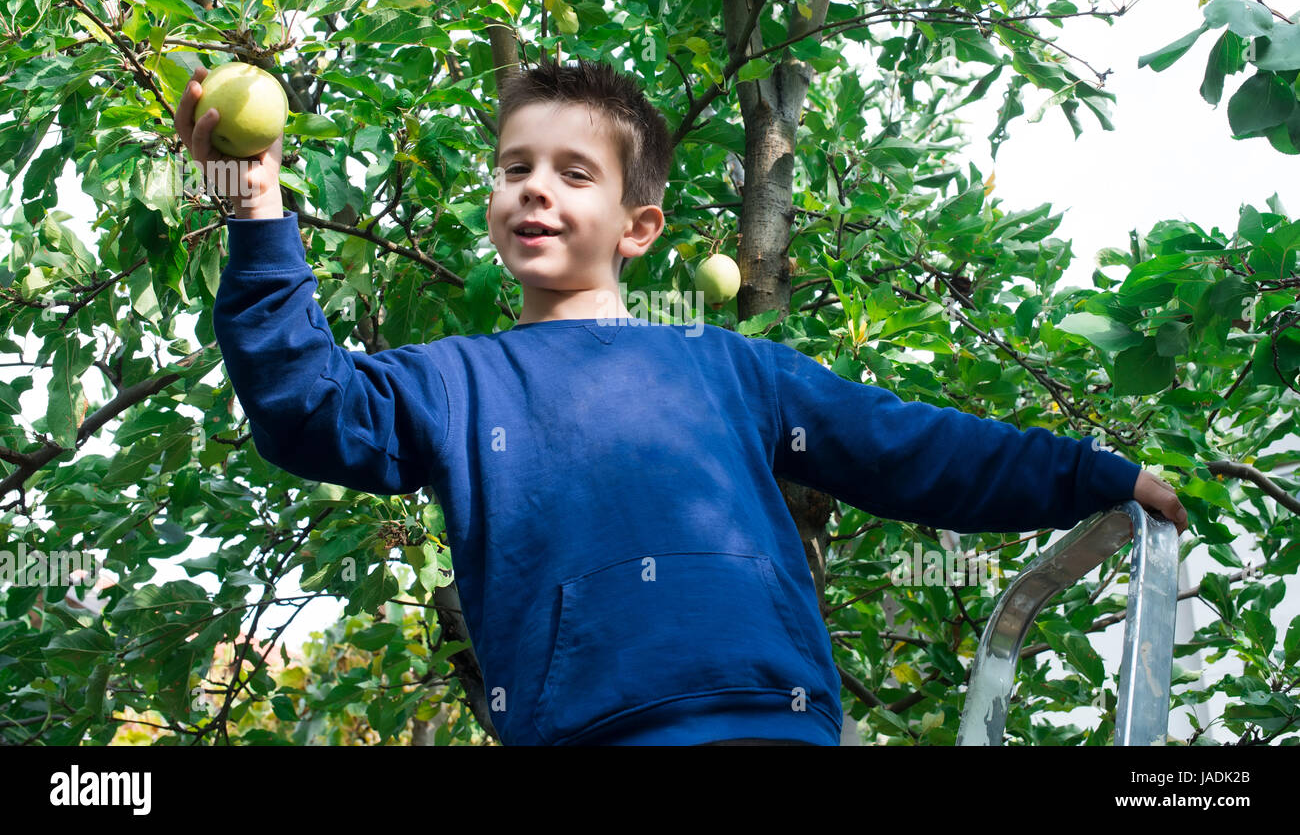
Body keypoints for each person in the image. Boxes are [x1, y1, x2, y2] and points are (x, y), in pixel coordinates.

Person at [174, 54, 1189, 746]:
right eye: (515, 168)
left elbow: (912, 448)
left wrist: (1095, 475)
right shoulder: (453, 380)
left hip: (772, 721)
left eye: (574, 173)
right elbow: (304, 403)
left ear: (639, 226)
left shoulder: (730, 369)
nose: (536, 189)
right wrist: (252, 203)